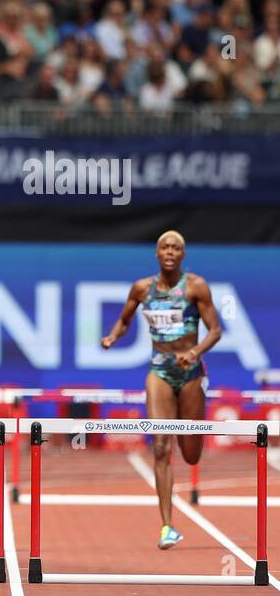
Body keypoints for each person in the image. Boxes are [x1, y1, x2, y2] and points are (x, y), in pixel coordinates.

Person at [102, 231, 222, 549]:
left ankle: (189, 452)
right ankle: (167, 526)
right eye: (164, 247)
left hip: (191, 374)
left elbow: (216, 330)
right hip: (159, 371)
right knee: (160, 447)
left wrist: (194, 353)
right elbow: (125, 319)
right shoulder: (143, 288)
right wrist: (113, 337)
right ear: (156, 254)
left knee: (191, 454)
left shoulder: (196, 287)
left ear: (183, 255)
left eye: (176, 248)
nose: (169, 251)